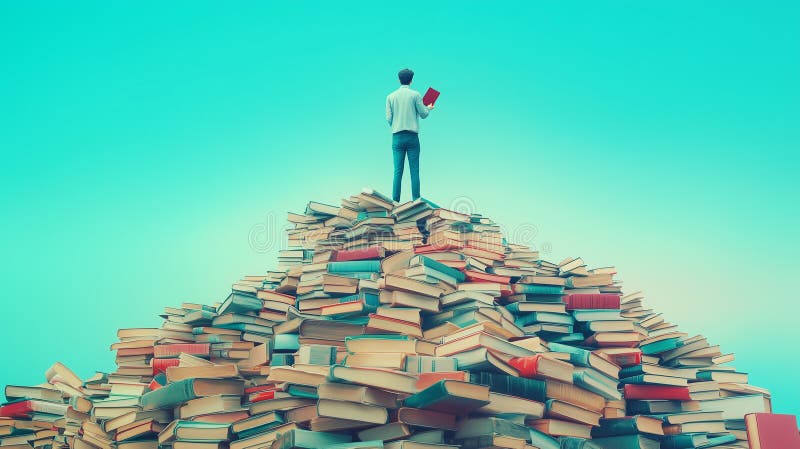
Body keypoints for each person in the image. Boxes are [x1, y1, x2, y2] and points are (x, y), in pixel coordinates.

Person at [385, 68, 434, 202]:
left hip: (397, 137)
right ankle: (416, 202)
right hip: (412, 137)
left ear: (398, 80)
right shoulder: (416, 95)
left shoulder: (390, 97)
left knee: (397, 172)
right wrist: (428, 108)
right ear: (411, 80)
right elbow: (423, 114)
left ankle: (395, 203)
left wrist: (397, 122)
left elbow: (388, 118)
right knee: (414, 171)